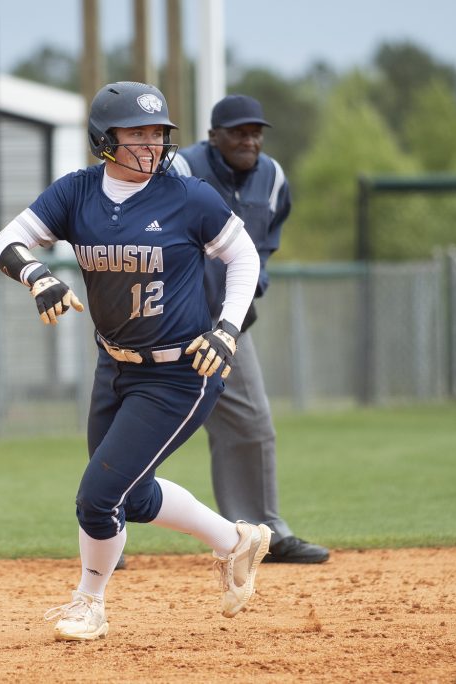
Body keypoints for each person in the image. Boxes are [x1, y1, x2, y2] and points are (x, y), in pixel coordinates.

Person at [0, 81, 271, 642]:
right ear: (104, 139)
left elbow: (243, 255)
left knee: (98, 495)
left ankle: (87, 603)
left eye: (158, 133)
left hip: (179, 372)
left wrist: (228, 328)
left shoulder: (188, 196)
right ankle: (234, 541)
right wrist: (37, 275)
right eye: (136, 133)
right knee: (132, 495)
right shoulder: (77, 193)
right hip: (114, 365)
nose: (151, 143)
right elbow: (6, 242)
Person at [170, 95, 329, 564]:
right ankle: (103, 528)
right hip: (167, 322)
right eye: (238, 132)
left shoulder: (272, 176)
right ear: (213, 135)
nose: (250, 140)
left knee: (252, 425)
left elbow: (266, 238)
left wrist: (251, 284)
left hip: (229, 326)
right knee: (131, 425)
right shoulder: (181, 170)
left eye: (256, 131)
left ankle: (265, 533)